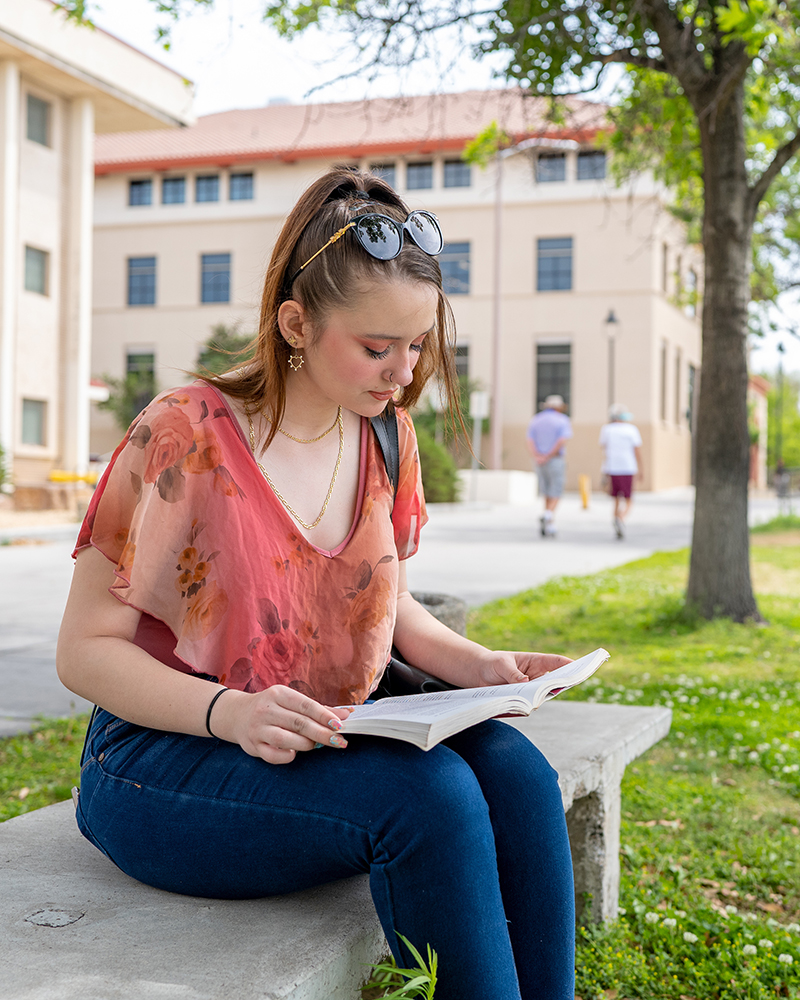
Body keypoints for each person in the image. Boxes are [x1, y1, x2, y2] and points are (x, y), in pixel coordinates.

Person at [56, 168, 576, 1000]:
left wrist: (479, 665)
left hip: (323, 734)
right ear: (296, 323)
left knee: (517, 774)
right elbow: (83, 653)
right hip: (164, 757)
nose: (403, 371)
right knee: (431, 802)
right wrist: (232, 713)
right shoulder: (184, 434)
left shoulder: (384, 435)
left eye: (417, 346)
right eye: (377, 348)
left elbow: (387, 597)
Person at [526, 394, 573, 537]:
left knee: (546, 491)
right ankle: (548, 514)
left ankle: (550, 523)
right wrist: (548, 455)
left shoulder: (536, 419)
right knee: (556, 490)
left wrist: (538, 456)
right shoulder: (562, 420)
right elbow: (561, 441)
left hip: (539, 461)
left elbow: (530, 440)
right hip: (555, 459)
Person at [599, 405, 643, 538]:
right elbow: (637, 451)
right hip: (628, 468)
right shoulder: (631, 430)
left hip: (612, 468)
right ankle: (621, 519)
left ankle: (616, 520)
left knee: (616, 498)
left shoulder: (606, 429)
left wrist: (604, 471)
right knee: (629, 499)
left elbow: (604, 449)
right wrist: (641, 468)